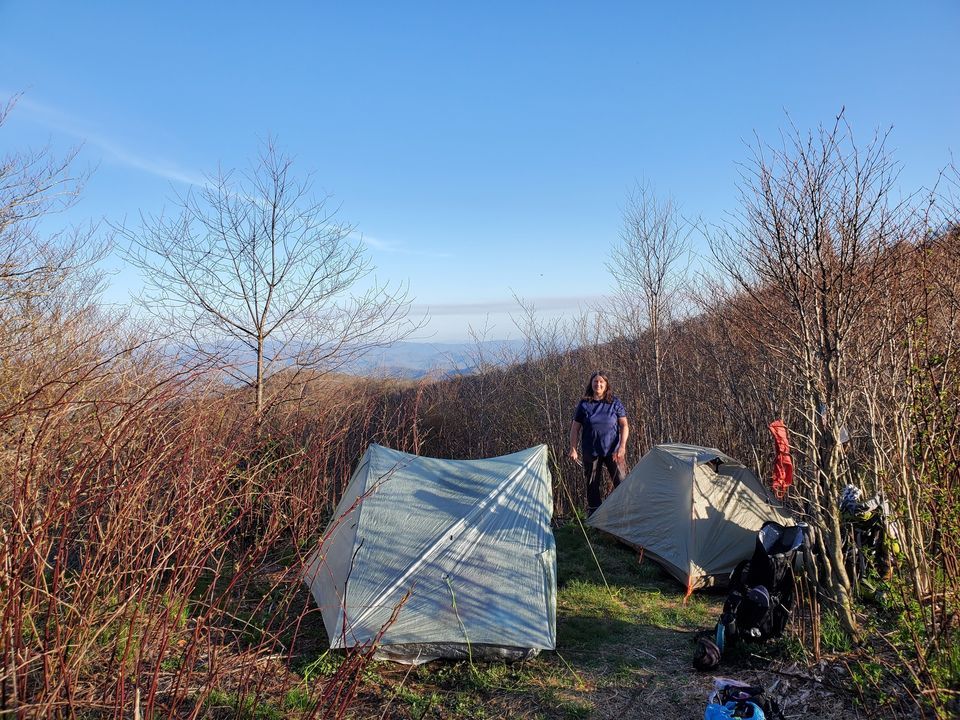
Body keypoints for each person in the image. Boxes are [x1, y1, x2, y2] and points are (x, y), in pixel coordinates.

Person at [568, 370, 629, 515]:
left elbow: (624, 425)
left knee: (621, 482)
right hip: (592, 451)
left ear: (606, 384)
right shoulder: (584, 404)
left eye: (601, 381)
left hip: (613, 451)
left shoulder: (614, 402)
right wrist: (573, 448)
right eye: (595, 381)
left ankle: (625, 513)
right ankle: (596, 518)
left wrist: (622, 446)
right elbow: (575, 429)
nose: (598, 384)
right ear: (591, 384)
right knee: (592, 485)